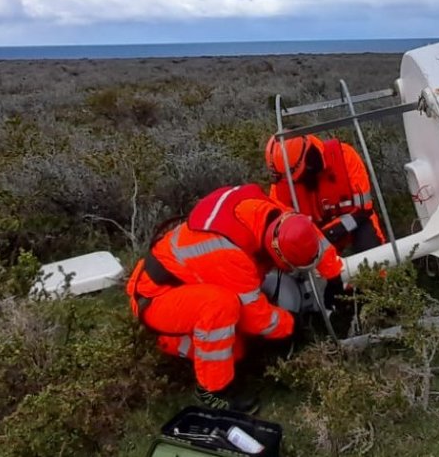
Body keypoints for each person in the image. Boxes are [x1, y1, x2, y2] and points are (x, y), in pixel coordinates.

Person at [125, 184, 343, 413]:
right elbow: (255, 317)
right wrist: (293, 324)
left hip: (186, 281)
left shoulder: (277, 216)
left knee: (237, 342)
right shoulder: (231, 253)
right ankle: (213, 390)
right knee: (222, 310)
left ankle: (213, 355)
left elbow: (307, 234)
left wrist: (334, 275)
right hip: (157, 297)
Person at [264, 133, 387, 256]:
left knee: (371, 248)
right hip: (313, 242)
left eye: (291, 174)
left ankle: (381, 272)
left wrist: (330, 234)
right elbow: (283, 236)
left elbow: (363, 210)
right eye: (283, 176)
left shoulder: (344, 156)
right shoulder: (279, 190)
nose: (289, 181)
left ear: (308, 160)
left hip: (357, 223)